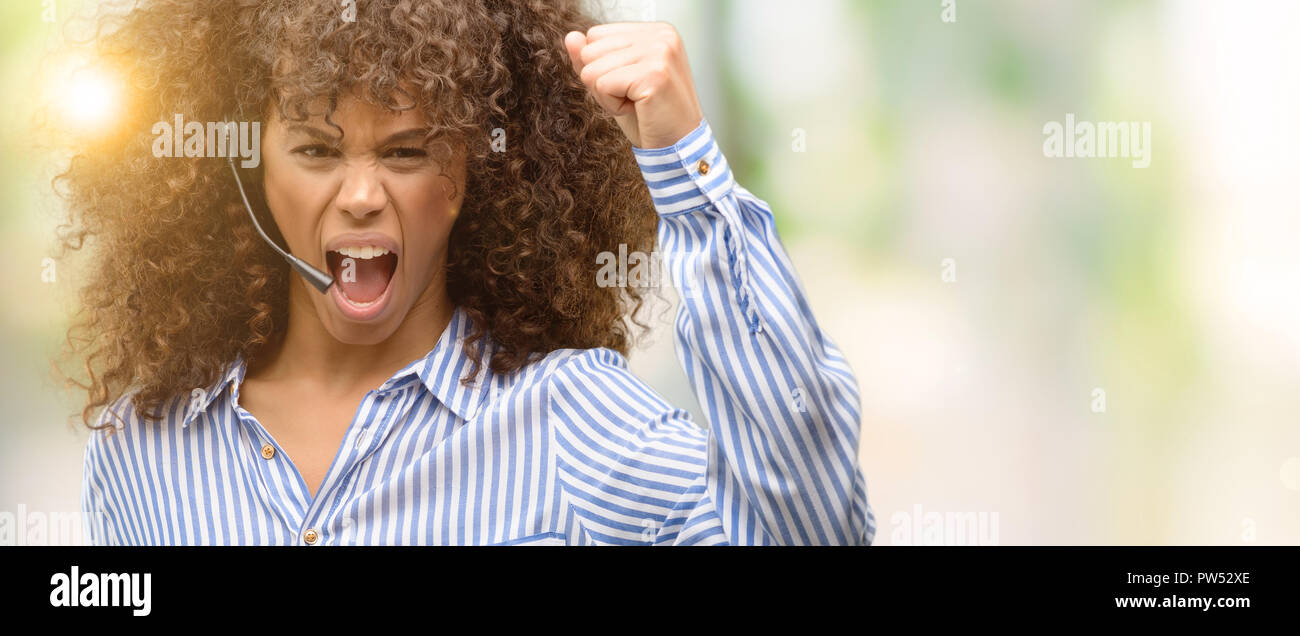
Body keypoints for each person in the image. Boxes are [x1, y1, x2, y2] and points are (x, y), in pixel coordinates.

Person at [61, 0, 875, 545]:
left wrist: (684, 162)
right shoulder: (142, 448)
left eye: (406, 151)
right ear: (247, 171)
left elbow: (810, 529)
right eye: (315, 149)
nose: (359, 196)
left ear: (472, 178)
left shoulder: (571, 420)